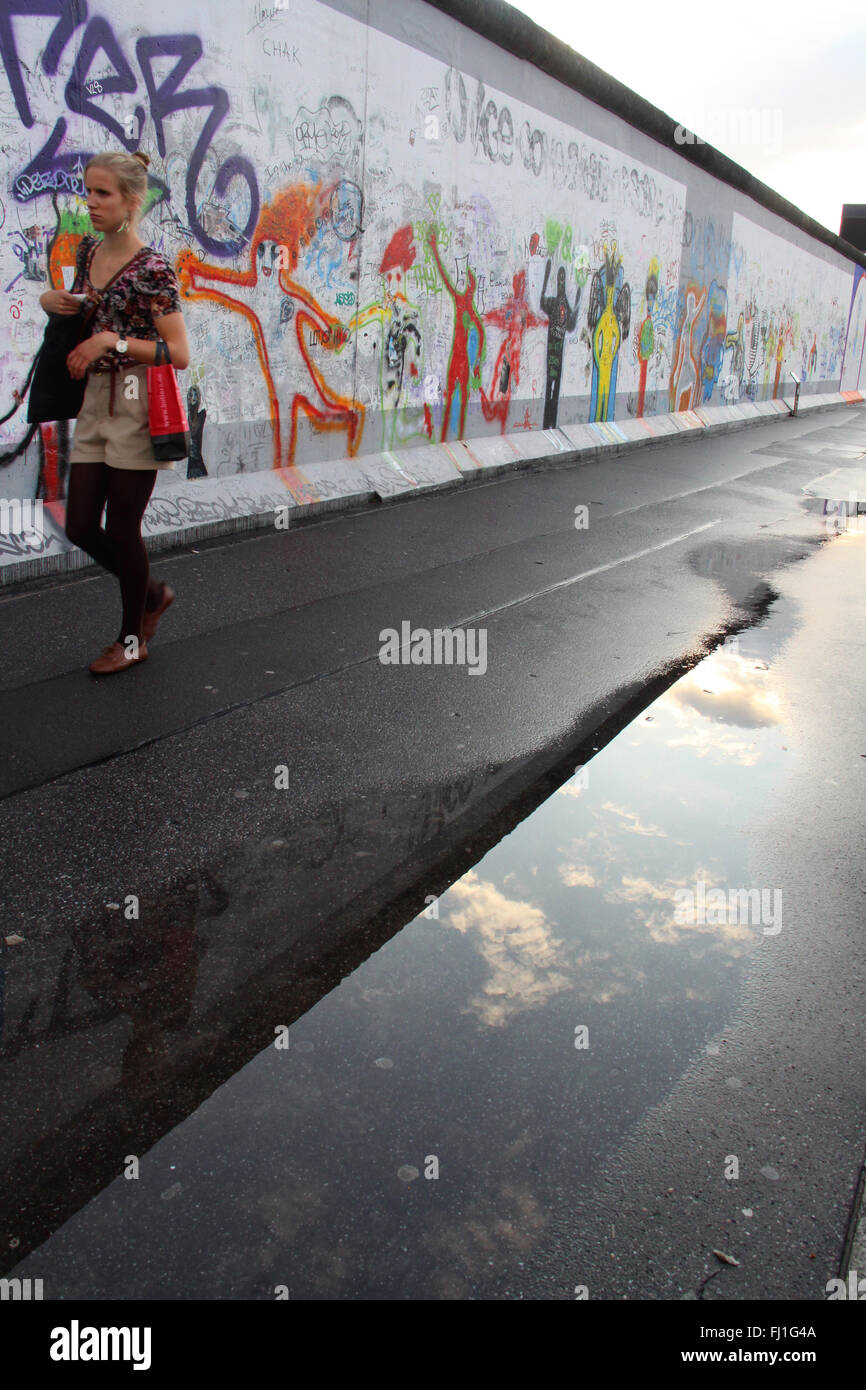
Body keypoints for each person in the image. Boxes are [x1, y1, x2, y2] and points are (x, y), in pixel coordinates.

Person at [39, 150, 190, 674]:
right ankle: (151, 594)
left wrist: (114, 339)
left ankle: (132, 640)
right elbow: (92, 306)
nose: (91, 202)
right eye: (88, 191)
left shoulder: (154, 270)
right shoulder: (87, 251)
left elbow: (178, 353)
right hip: (94, 401)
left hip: (136, 403)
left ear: (132, 201)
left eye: (103, 194)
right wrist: (57, 302)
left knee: (123, 527)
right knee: (80, 524)